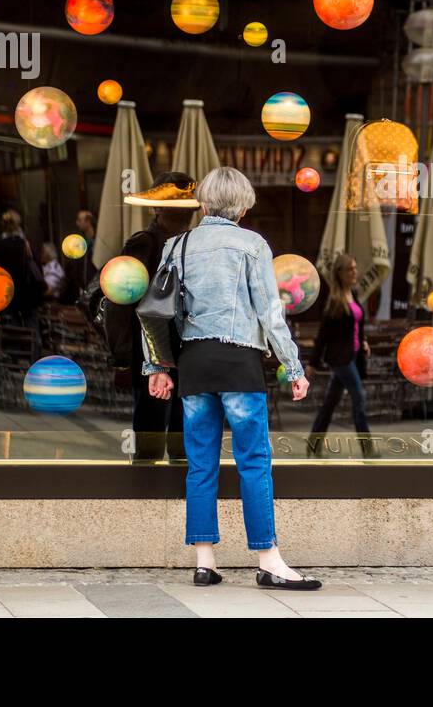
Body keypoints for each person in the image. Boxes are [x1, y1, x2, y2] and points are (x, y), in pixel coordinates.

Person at [143, 167, 320, 591]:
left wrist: (157, 368)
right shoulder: (252, 245)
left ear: (203, 204)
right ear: (242, 206)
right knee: (254, 462)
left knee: (200, 464)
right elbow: (270, 313)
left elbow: (155, 310)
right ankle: (269, 559)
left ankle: (205, 562)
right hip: (239, 364)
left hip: (193, 365)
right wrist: (293, 367)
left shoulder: (176, 245)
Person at [106, 172, 199, 463]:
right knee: (150, 439)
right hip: (151, 354)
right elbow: (119, 303)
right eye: (174, 203)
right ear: (156, 208)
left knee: (183, 442)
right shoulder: (144, 244)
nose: (182, 210)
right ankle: (146, 493)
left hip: (189, 354)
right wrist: (122, 357)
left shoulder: (196, 245)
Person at [305, 253, 376, 458]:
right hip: (341, 360)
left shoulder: (353, 294)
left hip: (353, 356)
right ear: (340, 273)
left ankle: (313, 445)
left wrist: (363, 341)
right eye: (350, 269)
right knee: (359, 398)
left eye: (355, 268)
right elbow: (324, 335)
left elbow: (355, 326)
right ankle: (368, 449)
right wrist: (313, 362)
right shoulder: (335, 301)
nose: (355, 272)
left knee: (330, 403)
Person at [0, 208, 45, 355]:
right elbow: (37, 268)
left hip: (8, 295)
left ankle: (14, 357)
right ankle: (34, 357)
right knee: (32, 327)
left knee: (11, 329)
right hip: (28, 295)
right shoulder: (26, 245)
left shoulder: (0, 246)